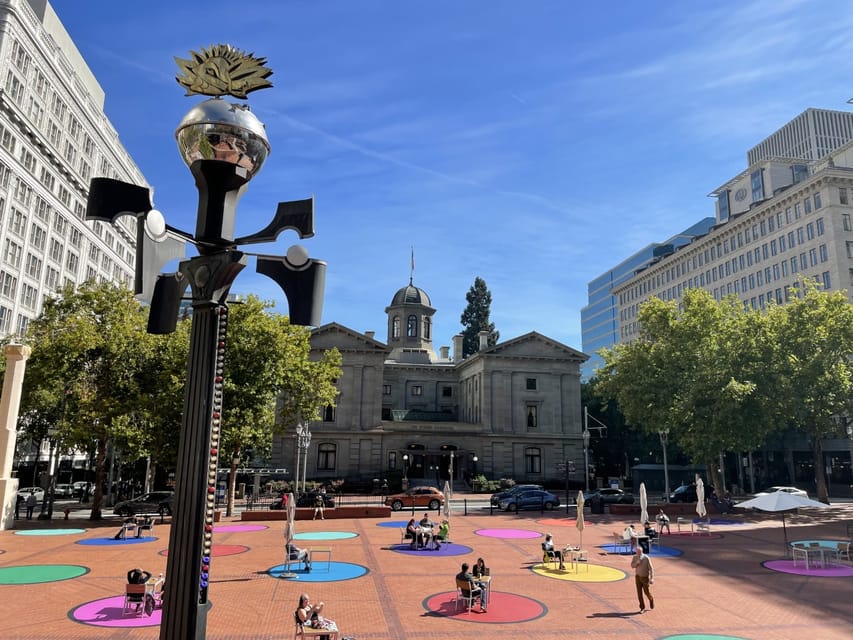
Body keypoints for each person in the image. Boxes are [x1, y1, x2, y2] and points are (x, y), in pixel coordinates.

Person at [630, 545, 655, 613]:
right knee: (639, 593)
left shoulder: (646, 558)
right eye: (637, 552)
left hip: (645, 577)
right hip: (637, 577)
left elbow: (651, 569)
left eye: (639, 552)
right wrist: (636, 563)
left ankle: (651, 599)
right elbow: (632, 566)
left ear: (642, 551)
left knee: (646, 592)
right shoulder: (635, 557)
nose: (638, 554)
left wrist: (652, 578)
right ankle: (642, 607)